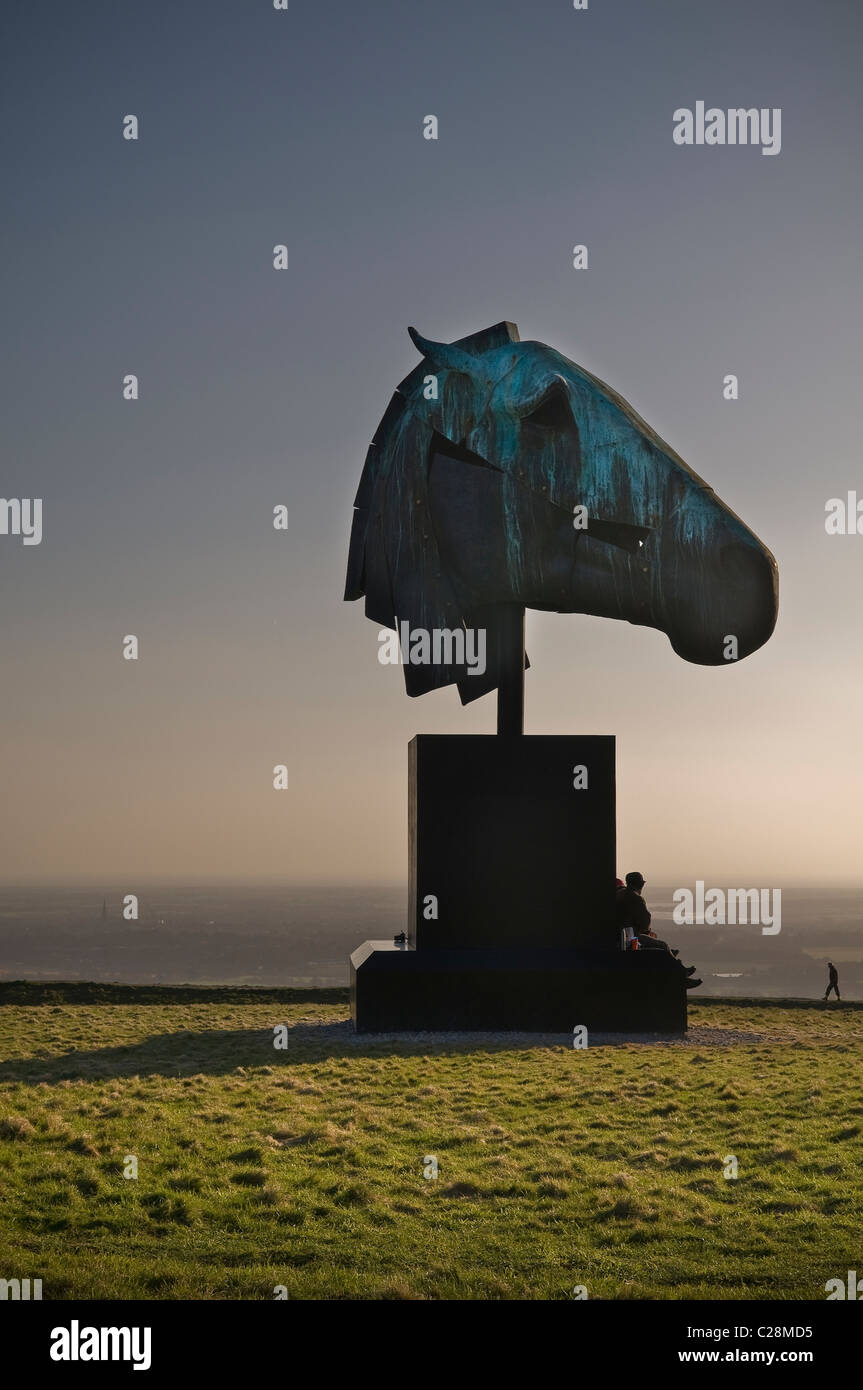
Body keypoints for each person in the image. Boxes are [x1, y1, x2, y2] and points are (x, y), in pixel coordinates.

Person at [616, 871, 702, 988]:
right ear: (641, 885)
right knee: (662, 946)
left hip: (623, 937)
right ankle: (681, 976)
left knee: (661, 946)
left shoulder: (619, 895)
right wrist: (645, 931)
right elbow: (644, 923)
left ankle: (678, 966)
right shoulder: (636, 898)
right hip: (630, 938)